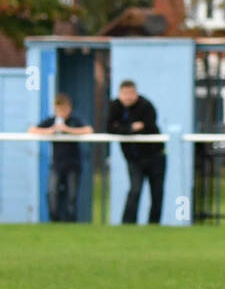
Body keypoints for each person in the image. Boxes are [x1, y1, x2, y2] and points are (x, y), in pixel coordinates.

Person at [106, 80, 166, 224]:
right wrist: (131, 128)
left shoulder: (146, 105)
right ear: (119, 94)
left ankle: (154, 225)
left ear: (136, 93)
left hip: (155, 155)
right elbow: (110, 127)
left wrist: (123, 128)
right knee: (135, 190)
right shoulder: (115, 107)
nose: (128, 97)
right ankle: (128, 224)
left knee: (157, 192)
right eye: (124, 94)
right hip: (134, 158)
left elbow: (148, 125)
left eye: (131, 93)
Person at [28, 94, 93, 222]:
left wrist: (67, 130)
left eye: (64, 109)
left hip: (73, 164)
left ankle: (70, 221)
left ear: (69, 108)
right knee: (52, 192)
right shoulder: (52, 121)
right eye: (58, 110)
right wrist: (50, 130)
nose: (61, 113)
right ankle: (54, 220)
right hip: (57, 164)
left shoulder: (75, 120)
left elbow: (89, 130)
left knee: (72, 195)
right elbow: (32, 130)